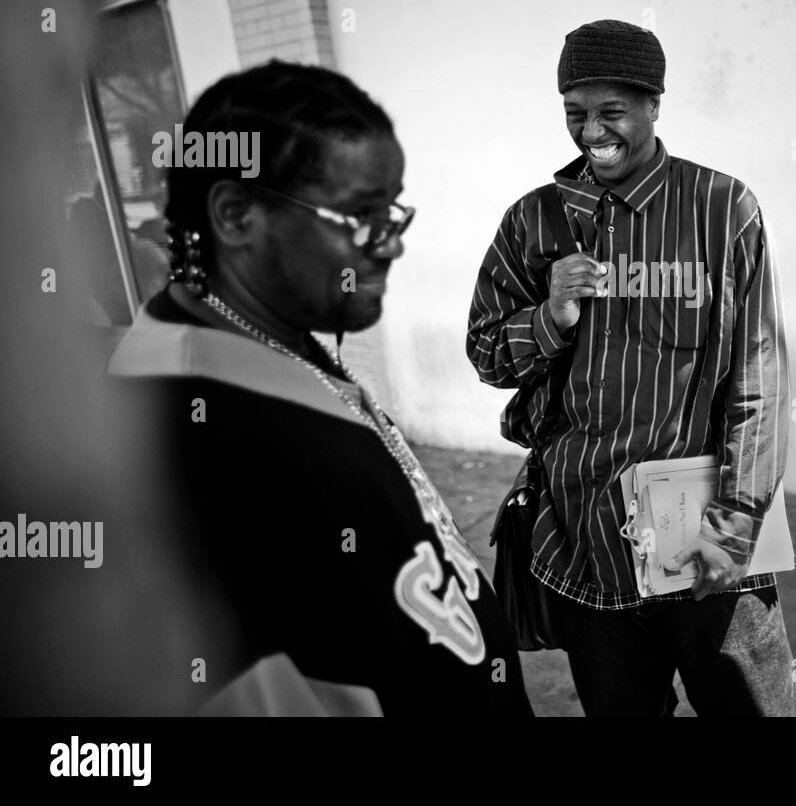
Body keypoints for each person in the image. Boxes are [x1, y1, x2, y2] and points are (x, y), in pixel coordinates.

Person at [109, 59, 532, 716]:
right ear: (235, 214)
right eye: (360, 215)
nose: (389, 244)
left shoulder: (268, 333)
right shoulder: (195, 441)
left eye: (392, 210)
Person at [467, 20, 796, 716]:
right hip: (582, 545)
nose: (591, 132)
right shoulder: (534, 223)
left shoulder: (721, 209)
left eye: (610, 112)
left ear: (653, 103)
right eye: (574, 113)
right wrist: (549, 318)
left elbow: (757, 379)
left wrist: (734, 526)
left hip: (702, 542)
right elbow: (487, 354)